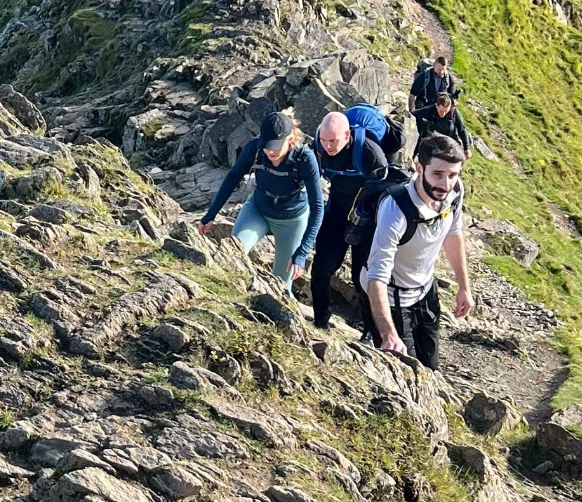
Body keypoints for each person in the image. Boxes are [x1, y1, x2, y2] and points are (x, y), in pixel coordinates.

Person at [360, 132, 472, 370]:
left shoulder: (454, 193)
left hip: (425, 291)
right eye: (438, 174)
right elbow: (376, 277)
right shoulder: (396, 210)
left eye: (453, 175)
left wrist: (464, 287)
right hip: (391, 299)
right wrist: (388, 333)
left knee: (431, 367)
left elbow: (453, 235)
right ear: (419, 167)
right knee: (407, 370)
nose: (445, 184)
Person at [198, 110, 323, 291]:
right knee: (233, 255)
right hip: (258, 209)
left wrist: (302, 252)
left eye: (275, 146)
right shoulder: (255, 147)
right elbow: (233, 177)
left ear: (290, 139)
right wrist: (210, 215)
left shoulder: (305, 159)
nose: (270, 150)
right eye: (267, 145)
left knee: (281, 285)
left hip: (291, 220)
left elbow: (317, 208)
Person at [310, 111, 388, 333]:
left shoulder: (369, 152)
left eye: (333, 141)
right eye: (324, 140)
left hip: (367, 221)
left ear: (347, 134)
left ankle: (370, 332)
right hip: (336, 213)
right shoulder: (318, 147)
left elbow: (386, 192)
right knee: (321, 269)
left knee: (362, 277)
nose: (328, 146)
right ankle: (320, 322)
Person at [415, 90, 471, 155]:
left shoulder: (454, 113)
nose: (443, 114)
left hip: (449, 142)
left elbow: (462, 129)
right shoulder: (431, 110)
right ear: (436, 106)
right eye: (441, 111)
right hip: (433, 141)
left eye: (446, 111)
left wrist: (466, 148)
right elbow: (414, 114)